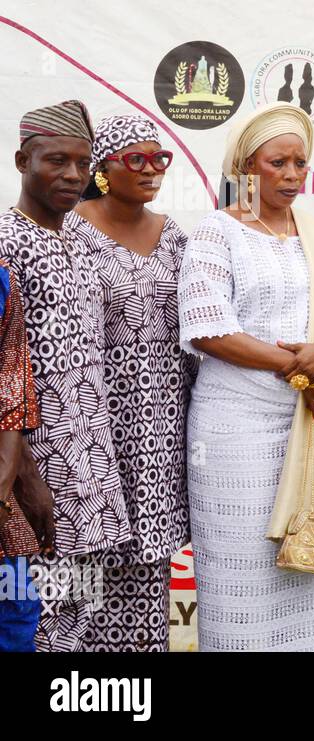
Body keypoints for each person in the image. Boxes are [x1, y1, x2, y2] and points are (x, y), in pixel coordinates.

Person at [178, 103, 314, 651]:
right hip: (235, 432)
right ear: (245, 167)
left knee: (306, 568)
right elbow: (207, 329)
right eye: (277, 164)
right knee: (240, 572)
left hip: (310, 422)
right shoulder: (217, 233)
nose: (292, 176)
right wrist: (300, 366)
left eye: (300, 163)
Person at [0, 100, 132, 651]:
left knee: (80, 608)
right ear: (21, 161)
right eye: (56, 161)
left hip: (91, 466)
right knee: (28, 611)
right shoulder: (5, 240)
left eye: (82, 163)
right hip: (30, 460)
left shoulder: (83, 240)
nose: (73, 175)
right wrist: (18, 465)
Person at [68, 114, 196, 651]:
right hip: (93, 423)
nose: (152, 171)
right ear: (104, 168)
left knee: (152, 563)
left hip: (163, 426)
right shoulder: (67, 231)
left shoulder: (177, 236)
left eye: (160, 159)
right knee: (84, 566)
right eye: (136, 160)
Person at [0, 247, 47, 653]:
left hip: (1, 498)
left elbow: (13, 378)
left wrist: (10, 476)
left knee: (16, 606)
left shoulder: (1, 278)